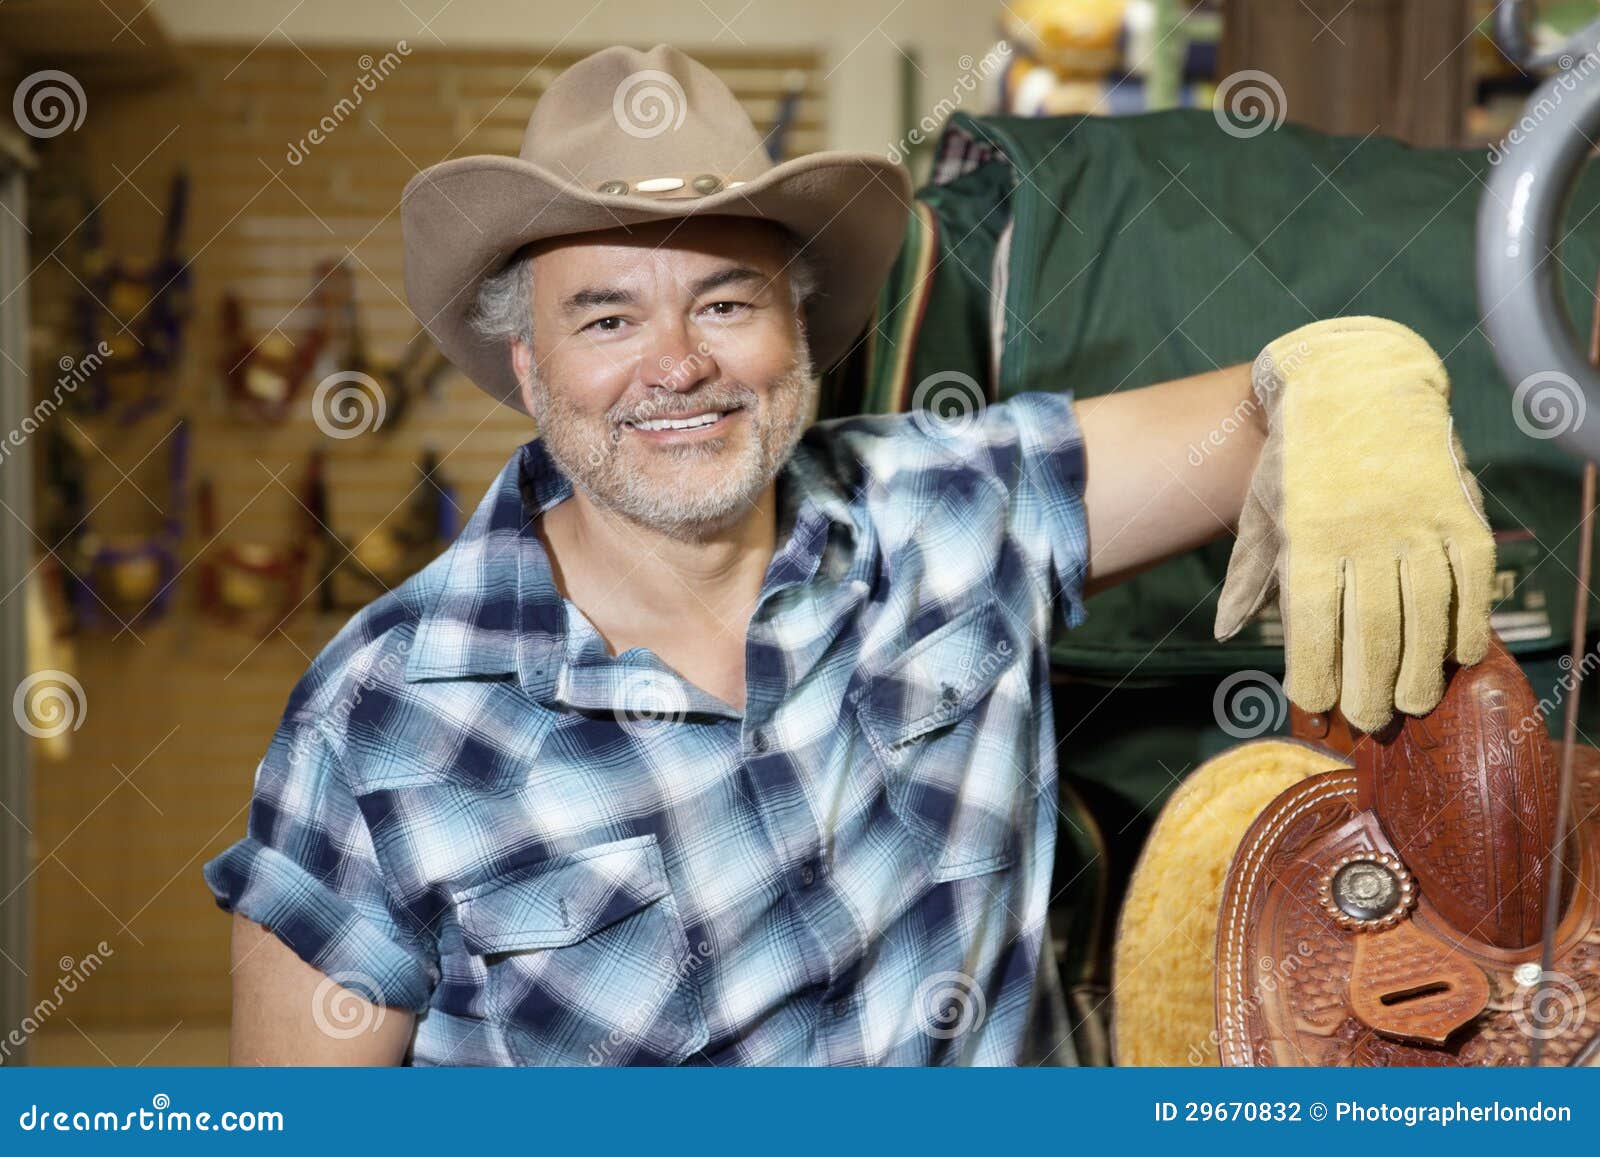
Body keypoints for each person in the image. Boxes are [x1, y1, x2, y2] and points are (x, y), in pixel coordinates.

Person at [204, 44, 1495, 1065]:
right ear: (532, 367)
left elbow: (1258, 408)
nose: (677, 365)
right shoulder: (381, 718)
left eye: (726, 300)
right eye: (607, 315)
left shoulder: (944, 508)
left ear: (798, 336)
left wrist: (1349, 373)